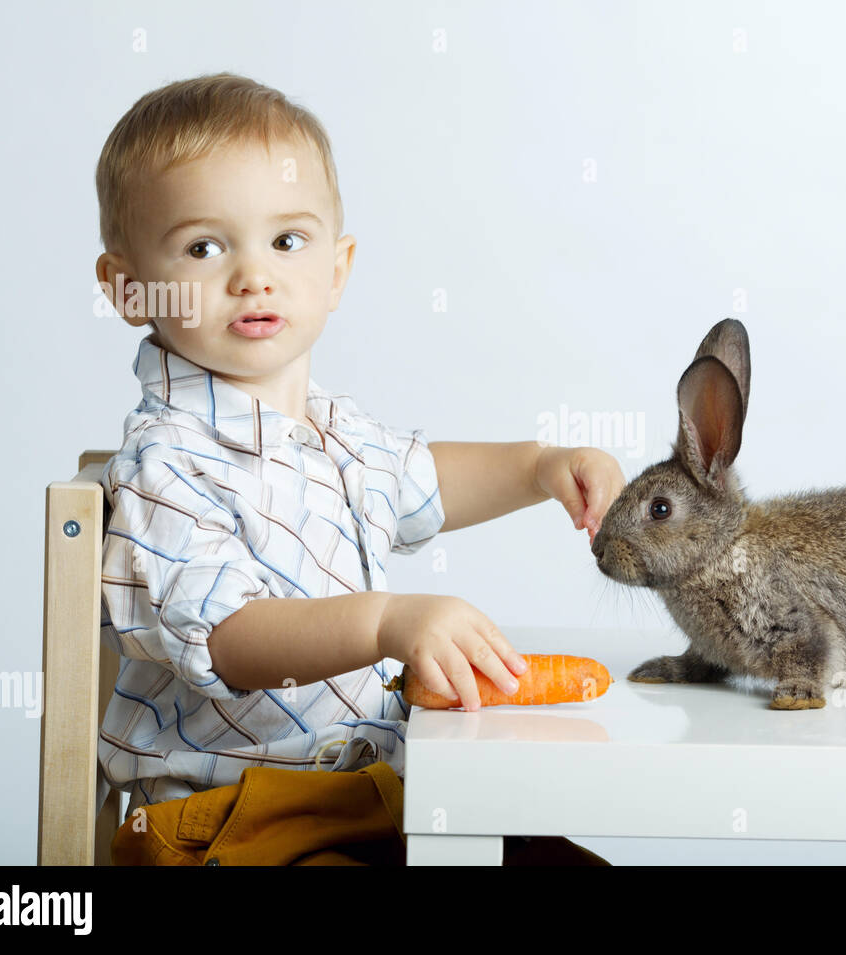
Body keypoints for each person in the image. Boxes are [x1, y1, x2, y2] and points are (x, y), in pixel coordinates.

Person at [93, 72, 620, 866]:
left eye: (287, 240)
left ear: (336, 271)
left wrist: (542, 466)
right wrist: (384, 622)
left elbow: (425, 480)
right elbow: (231, 636)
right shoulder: (162, 463)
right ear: (129, 288)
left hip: (376, 793)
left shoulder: (334, 431)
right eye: (205, 246)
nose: (253, 275)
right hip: (239, 819)